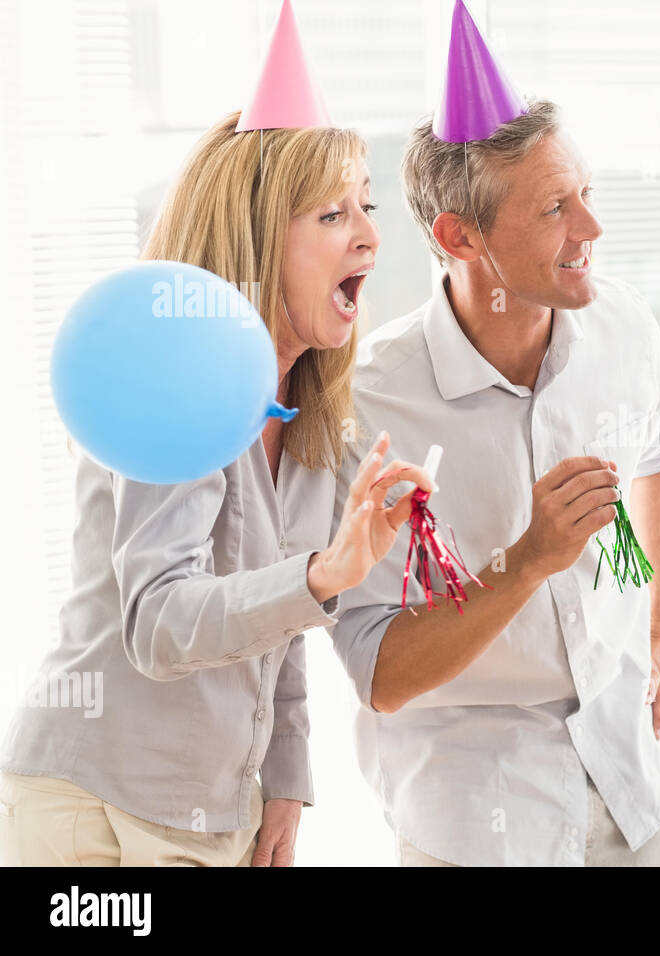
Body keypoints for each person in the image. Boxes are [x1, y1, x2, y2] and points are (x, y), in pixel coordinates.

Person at [0, 110, 431, 866]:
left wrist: (287, 780)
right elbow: (159, 622)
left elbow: (277, 616)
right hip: (96, 809)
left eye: (369, 205)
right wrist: (324, 573)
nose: (369, 235)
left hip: (214, 811)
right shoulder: (174, 377)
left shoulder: (309, 408)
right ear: (258, 238)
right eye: (334, 213)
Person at [327, 93, 660, 867]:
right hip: (475, 824)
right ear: (459, 236)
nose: (591, 229)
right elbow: (381, 674)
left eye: (587, 195)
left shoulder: (625, 329)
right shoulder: (373, 404)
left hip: (637, 797)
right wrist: (529, 561)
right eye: (556, 208)